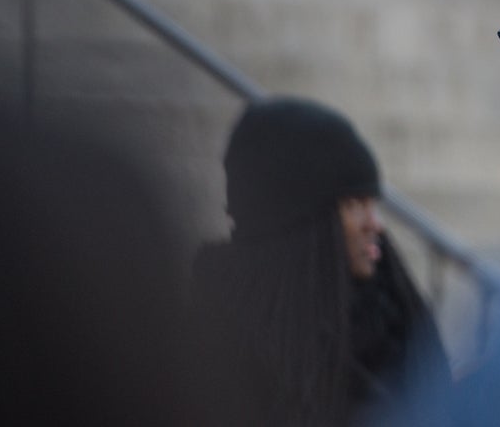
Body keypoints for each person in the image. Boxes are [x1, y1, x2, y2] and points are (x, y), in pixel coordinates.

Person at [191, 96, 450, 426]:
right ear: (301, 224)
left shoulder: (398, 323)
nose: (376, 224)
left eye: (372, 203)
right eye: (355, 204)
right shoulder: (220, 345)